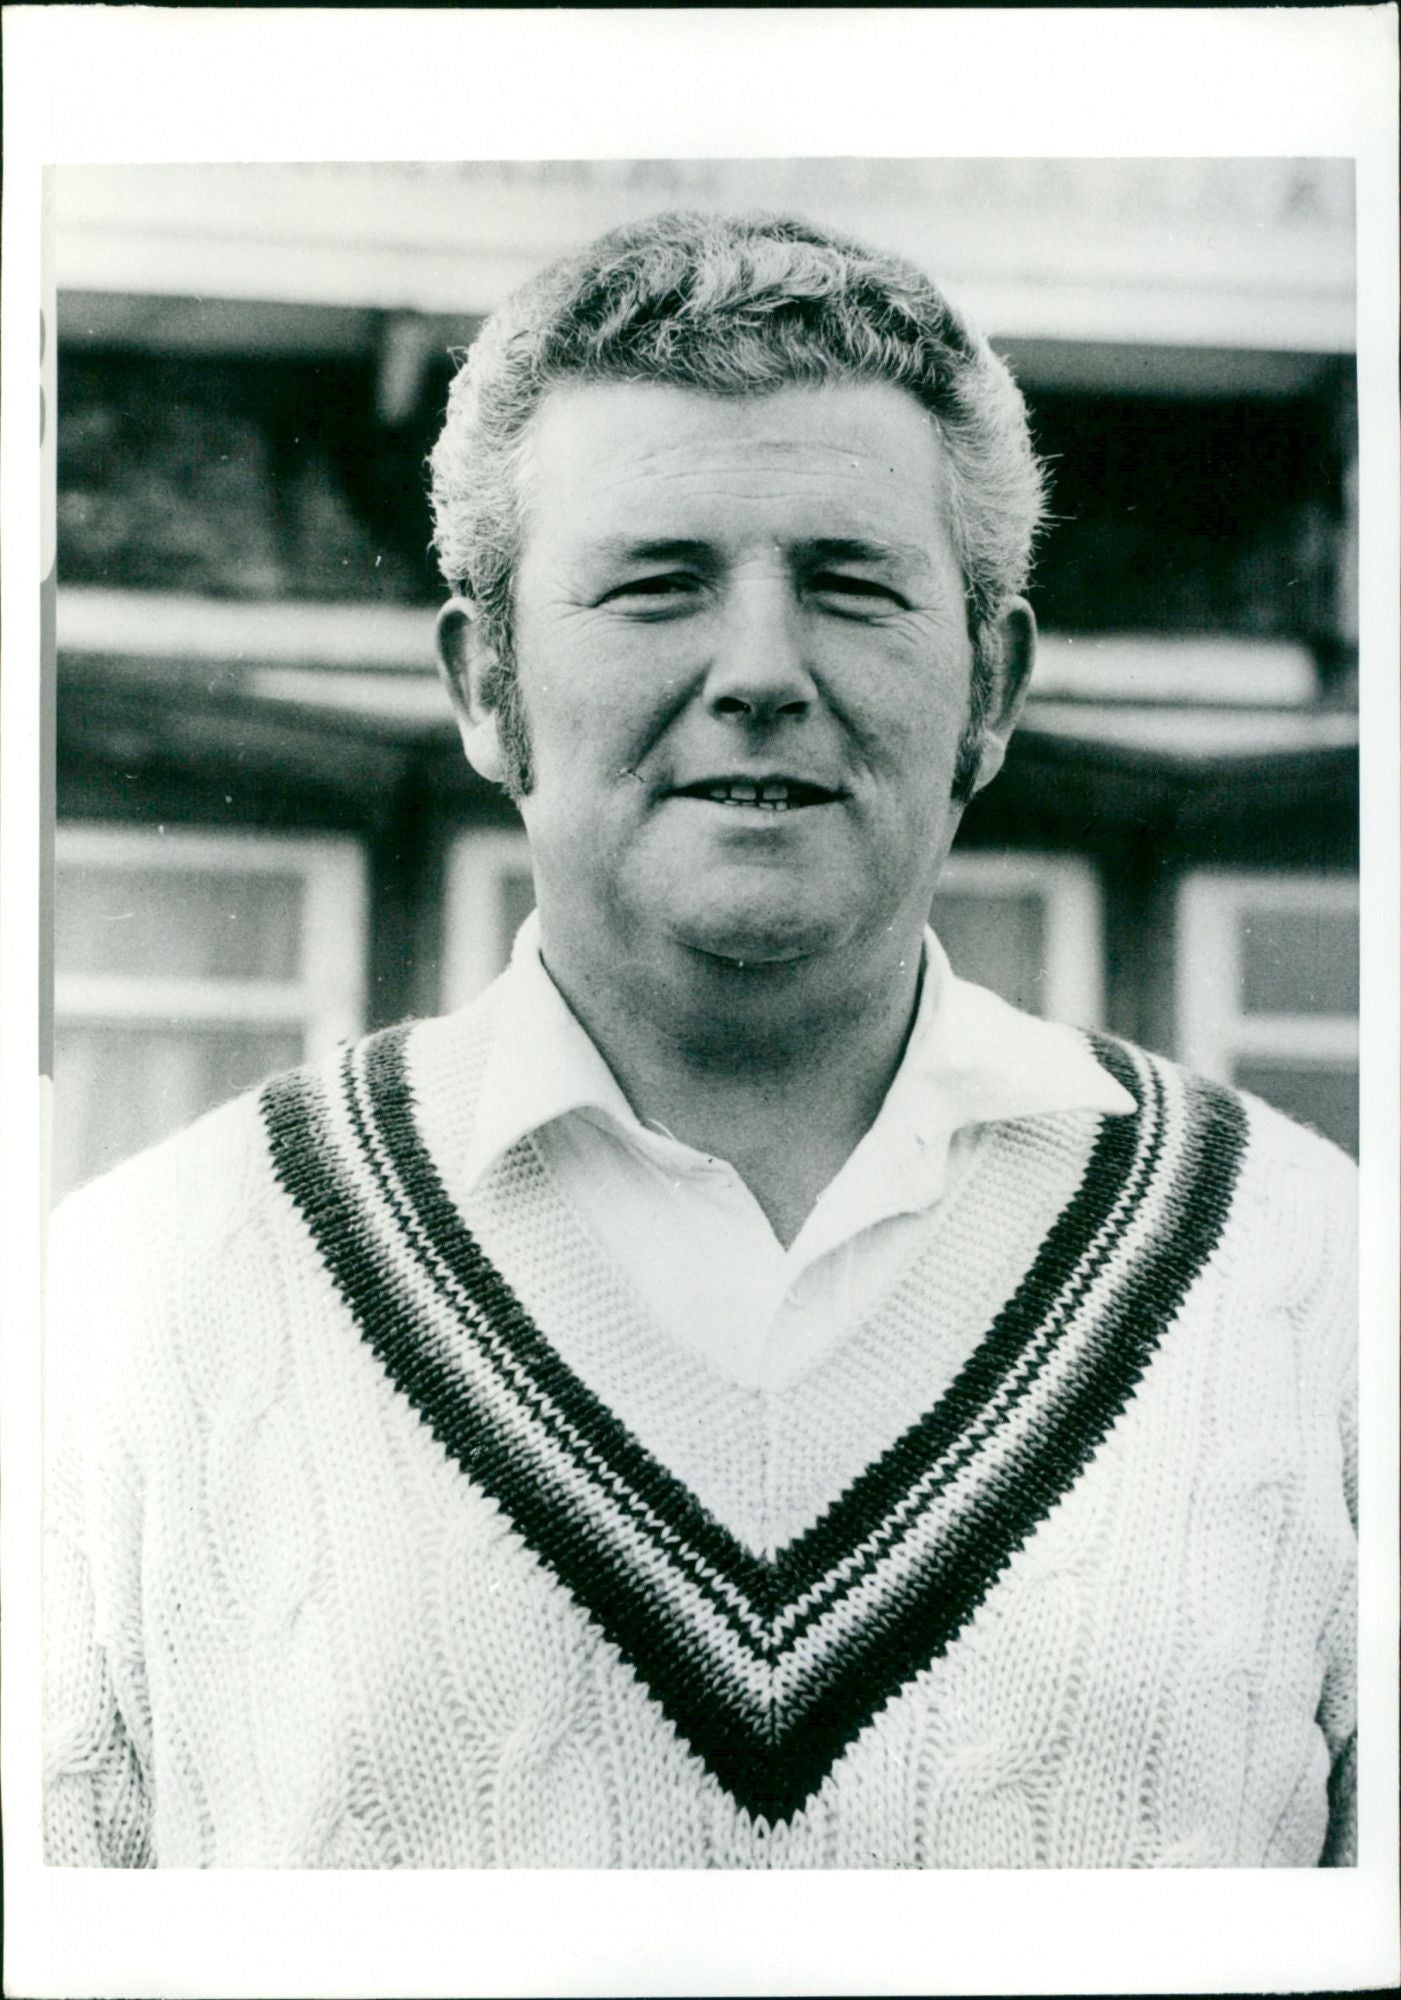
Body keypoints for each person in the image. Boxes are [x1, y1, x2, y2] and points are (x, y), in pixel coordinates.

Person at [45, 210, 1356, 1869]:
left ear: (994, 690)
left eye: (852, 586)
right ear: (486, 685)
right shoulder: (135, 1302)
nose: (758, 671)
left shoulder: (1316, 1287)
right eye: (656, 586)